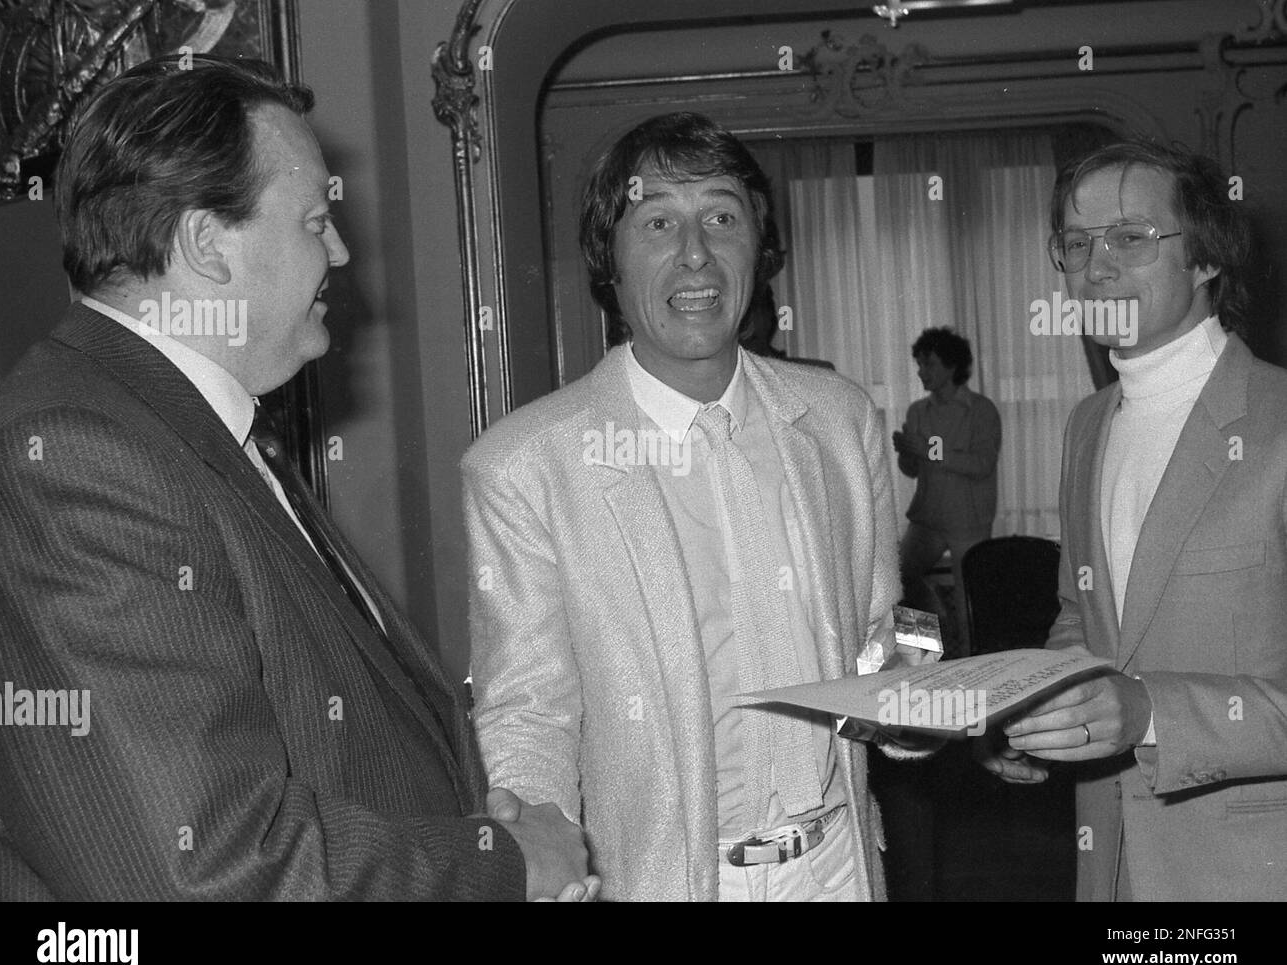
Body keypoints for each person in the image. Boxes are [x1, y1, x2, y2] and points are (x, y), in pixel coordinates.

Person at [0, 54, 594, 901]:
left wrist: (471, 826)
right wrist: (504, 863)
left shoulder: (189, 424)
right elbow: (208, 868)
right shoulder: (79, 458)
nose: (341, 252)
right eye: (315, 221)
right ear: (207, 244)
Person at [463, 111, 928, 902]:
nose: (695, 254)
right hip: (665, 879)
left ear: (758, 246)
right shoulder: (523, 466)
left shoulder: (839, 417)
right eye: (657, 223)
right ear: (607, 259)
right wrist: (539, 849)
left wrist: (922, 690)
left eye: (721, 217)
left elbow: (879, 632)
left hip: (839, 862)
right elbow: (528, 707)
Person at [981, 138, 1287, 900]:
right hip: (1111, 857)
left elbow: (1144, 696)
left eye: (1131, 237)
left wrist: (1148, 711)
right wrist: (1038, 704)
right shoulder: (1089, 425)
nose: (1097, 266)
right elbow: (1083, 617)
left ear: (1208, 257)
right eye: (1077, 243)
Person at [893, 327, 1000, 657]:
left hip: (968, 520)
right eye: (920, 364)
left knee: (972, 602)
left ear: (952, 367)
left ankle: (972, 665)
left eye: (930, 364)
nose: (922, 372)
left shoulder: (981, 410)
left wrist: (927, 451)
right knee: (897, 579)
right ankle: (924, 652)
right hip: (928, 517)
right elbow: (911, 471)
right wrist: (908, 454)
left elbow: (981, 464)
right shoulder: (917, 411)